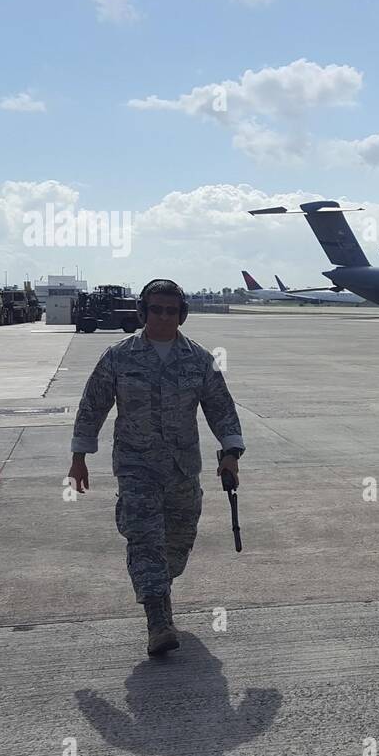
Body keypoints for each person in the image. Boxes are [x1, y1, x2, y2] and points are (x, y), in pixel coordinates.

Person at [67, 279, 244, 656]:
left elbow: (220, 407)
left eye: (171, 310)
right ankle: (157, 620)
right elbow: (93, 405)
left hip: (182, 468)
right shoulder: (119, 356)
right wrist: (79, 457)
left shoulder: (198, 359)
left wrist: (231, 451)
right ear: (143, 312)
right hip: (136, 466)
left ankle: (161, 590)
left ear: (181, 314)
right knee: (146, 540)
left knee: (177, 544)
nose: (163, 317)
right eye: (156, 309)